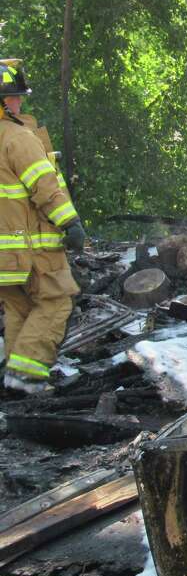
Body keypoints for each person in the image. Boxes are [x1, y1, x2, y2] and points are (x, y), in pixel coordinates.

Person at [0, 59, 85, 394]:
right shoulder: (18, 137)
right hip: (30, 246)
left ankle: (13, 377)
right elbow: (45, 186)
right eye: (14, 96)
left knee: (21, 308)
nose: (21, 102)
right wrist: (71, 222)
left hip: (5, 256)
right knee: (57, 302)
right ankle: (27, 376)